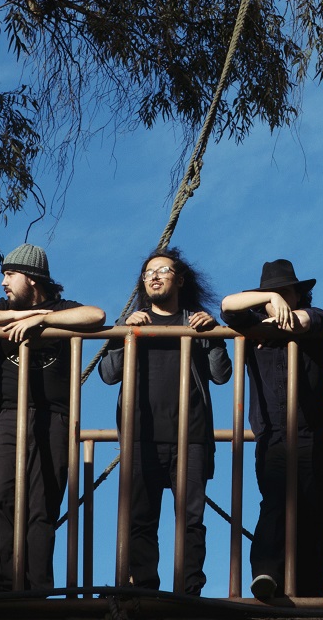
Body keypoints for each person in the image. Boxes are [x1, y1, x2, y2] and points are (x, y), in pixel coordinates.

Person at [0, 244, 106, 594]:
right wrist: (21, 317)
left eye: (10, 274)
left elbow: (96, 315)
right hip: (6, 414)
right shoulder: (3, 308)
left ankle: (37, 590)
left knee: (42, 505)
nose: (3, 282)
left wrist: (44, 319)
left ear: (32, 278)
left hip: (55, 418)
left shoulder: (61, 308)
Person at [95, 248, 232, 594]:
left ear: (180, 280)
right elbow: (108, 375)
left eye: (163, 271)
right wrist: (123, 333)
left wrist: (213, 335)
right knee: (140, 520)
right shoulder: (133, 324)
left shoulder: (195, 322)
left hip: (192, 435)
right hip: (141, 435)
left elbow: (221, 375)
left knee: (191, 521)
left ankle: (189, 592)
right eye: (148, 273)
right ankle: (145, 591)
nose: (154, 276)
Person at [221, 259, 323, 601]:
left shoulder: (316, 315)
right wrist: (269, 300)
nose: (280, 297)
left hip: (311, 432)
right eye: (273, 292)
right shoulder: (252, 323)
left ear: (299, 295)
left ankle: (311, 587)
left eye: (286, 291)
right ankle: (266, 573)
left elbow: (301, 322)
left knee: (315, 509)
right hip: (271, 434)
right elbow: (227, 305)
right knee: (275, 501)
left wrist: (272, 318)